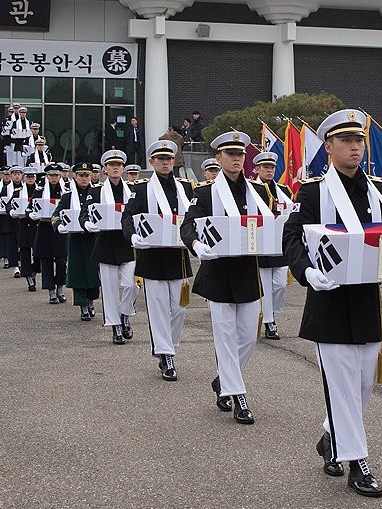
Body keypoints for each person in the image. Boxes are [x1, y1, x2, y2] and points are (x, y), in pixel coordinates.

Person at [283, 109, 382, 498]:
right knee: (341, 387)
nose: (355, 147)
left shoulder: (380, 190)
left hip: (368, 301)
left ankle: (330, 437)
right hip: (329, 301)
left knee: (363, 385)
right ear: (329, 146)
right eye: (345, 141)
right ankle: (358, 461)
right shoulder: (313, 191)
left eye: (359, 141)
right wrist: (307, 273)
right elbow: (291, 237)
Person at [181, 132, 266, 422]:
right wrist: (196, 244)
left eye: (240, 154)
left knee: (248, 337)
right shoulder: (205, 192)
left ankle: (224, 379)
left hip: (247, 272)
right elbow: (188, 225)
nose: (237, 159)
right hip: (218, 272)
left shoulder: (256, 191)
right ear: (218, 158)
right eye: (230, 154)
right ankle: (238, 395)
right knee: (226, 336)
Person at [123, 140, 196, 382]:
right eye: (160, 159)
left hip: (178, 257)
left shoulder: (186, 188)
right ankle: (165, 354)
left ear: (174, 161)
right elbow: (128, 215)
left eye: (169, 159)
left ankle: (170, 345)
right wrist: (132, 236)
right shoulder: (142, 189)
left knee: (179, 308)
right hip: (152, 257)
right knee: (157, 309)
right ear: (152, 162)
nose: (165, 162)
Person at [81, 149, 137, 346]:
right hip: (105, 243)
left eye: (119, 165)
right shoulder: (96, 191)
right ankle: (116, 326)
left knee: (131, 285)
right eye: (111, 165)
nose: (115, 168)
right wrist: (87, 224)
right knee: (110, 288)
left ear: (122, 168)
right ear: (105, 169)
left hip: (127, 243)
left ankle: (125, 314)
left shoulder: (132, 190)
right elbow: (84, 214)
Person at [253, 151, 292, 340]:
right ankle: (269, 321)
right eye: (265, 167)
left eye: (272, 167)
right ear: (257, 169)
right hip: (261, 245)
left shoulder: (283, 190)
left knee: (280, 285)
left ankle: (271, 312)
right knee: (265, 285)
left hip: (279, 245)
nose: (269, 171)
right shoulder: (250, 189)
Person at [55, 162, 101, 321]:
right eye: (81, 175)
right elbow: (57, 213)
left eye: (87, 175)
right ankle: (83, 305)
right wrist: (58, 225)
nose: (84, 178)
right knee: (78, 273)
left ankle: (91, 301)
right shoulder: (68, 195)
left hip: (93, 239)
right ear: (75, 176)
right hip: (75, 240)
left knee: (94, 272)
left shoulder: (97, 193)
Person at [31, 162, 68, 304]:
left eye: (56, 175)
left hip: (59, 229)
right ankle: (51, 291)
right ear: (47, 176)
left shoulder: (66, 190)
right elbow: (31, 206)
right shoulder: (40, 190)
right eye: (51, 175)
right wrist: (33, 214)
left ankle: (60, 288)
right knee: (46, 261)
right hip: (45, 227)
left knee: (61, 261)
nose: (54, 178)